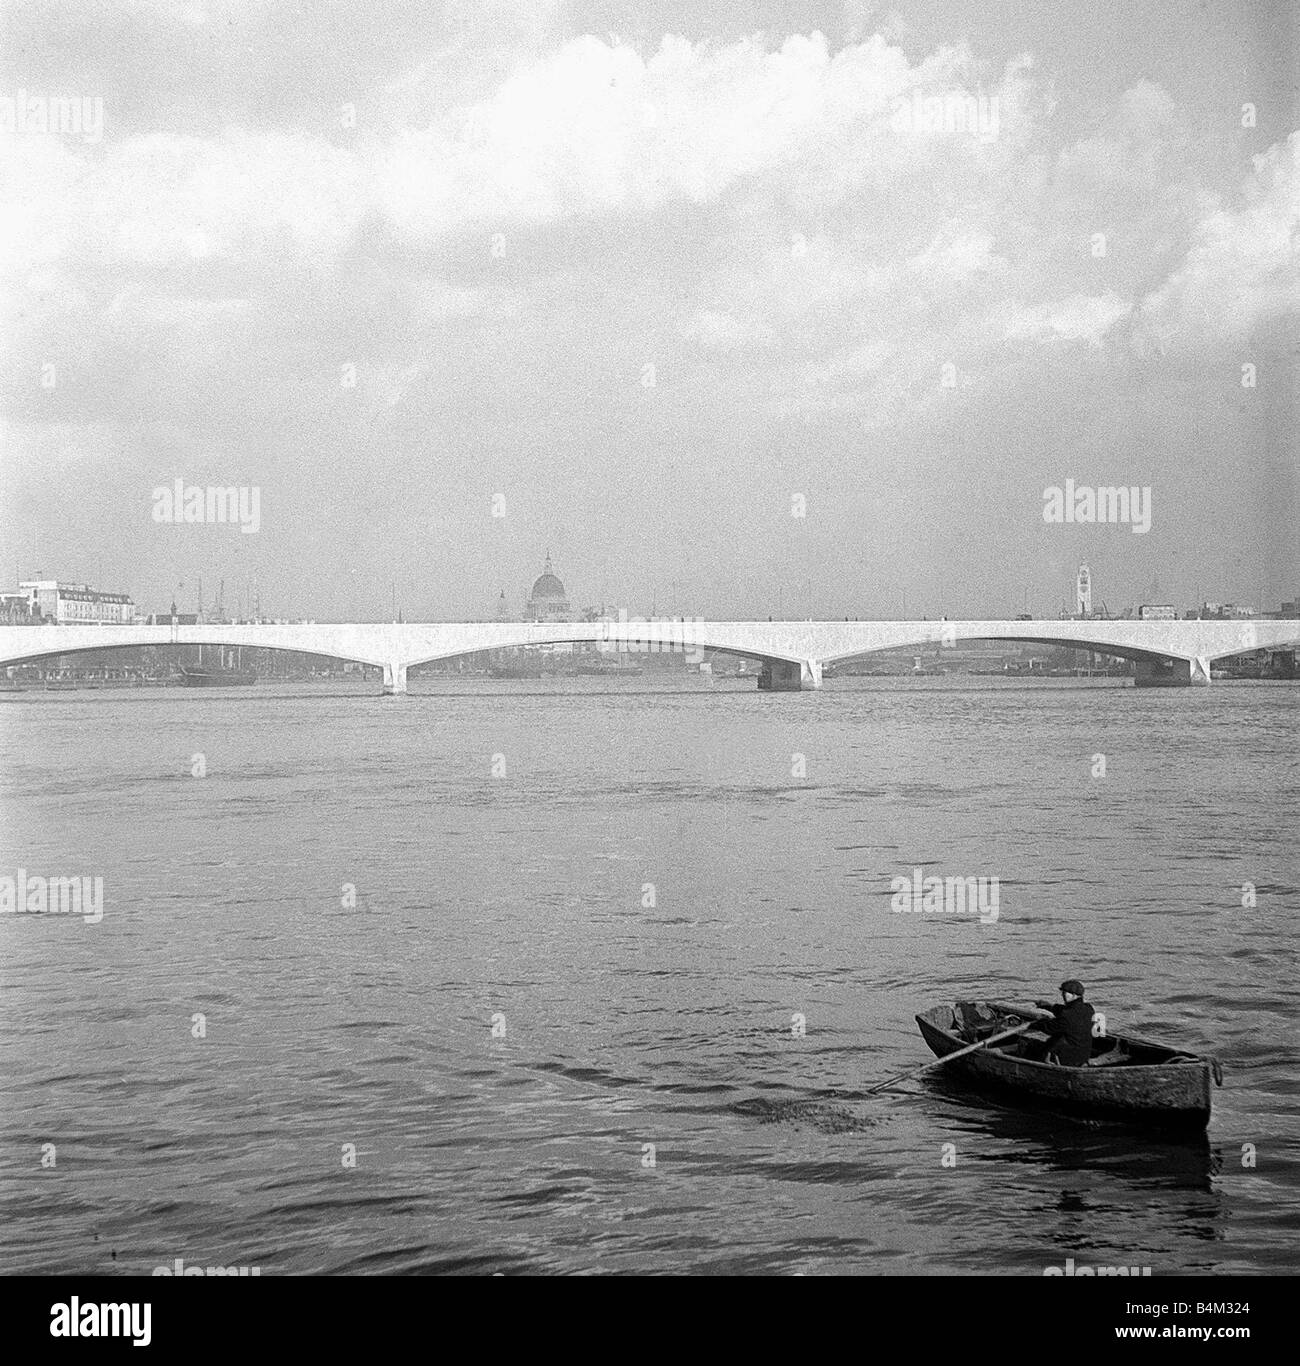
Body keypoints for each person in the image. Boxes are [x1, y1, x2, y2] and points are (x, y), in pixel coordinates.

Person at [1032, 979, 1095, 1067]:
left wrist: (1035, 1024)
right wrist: (1049, 1007)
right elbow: (1066, 1011)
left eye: (1065, 993)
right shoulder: (1089, 1009)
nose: (1062, 995)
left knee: (1031, 1046)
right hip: (1083, 1055)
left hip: (1066, 1059)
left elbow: (1049, 1028)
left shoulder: (1067, 1015)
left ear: (1073, 995)